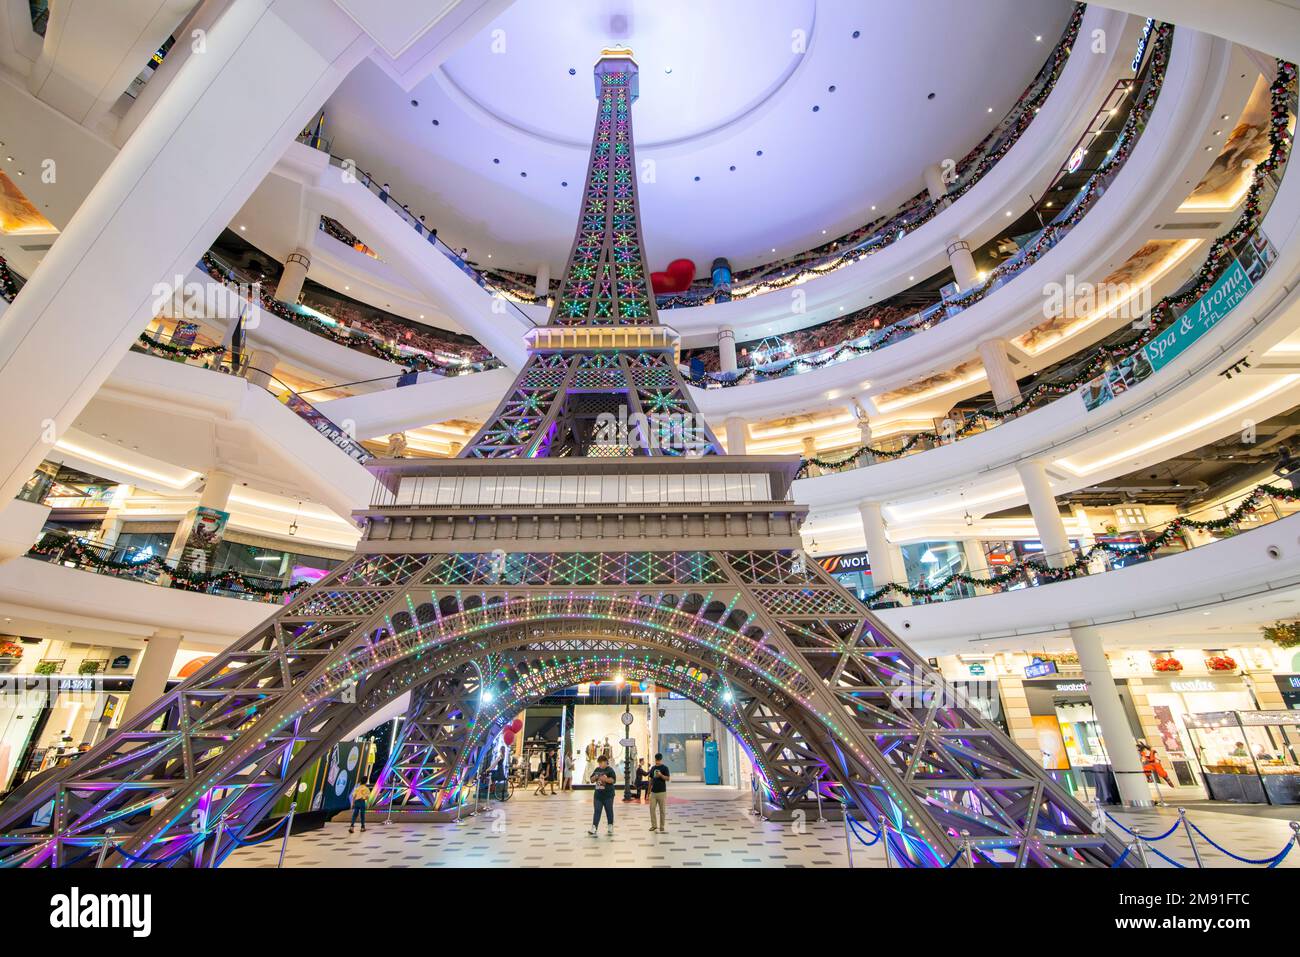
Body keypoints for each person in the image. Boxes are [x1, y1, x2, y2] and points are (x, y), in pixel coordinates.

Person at [587, 756, 617, 836]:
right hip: (598, 795)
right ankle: (594, 827)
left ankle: (610, 825)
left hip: (608, 795)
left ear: (605, 762)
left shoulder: (610, 770)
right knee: (597, 811)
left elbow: (613, 780)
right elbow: (591, 780)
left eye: (601, 762)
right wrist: (595, 777)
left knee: (609, 810)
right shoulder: (597, 770)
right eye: (599, 763)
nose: (599, 764)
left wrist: (606, 779)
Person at [648, 752, 670, 832]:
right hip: (653, 792)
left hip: (662, 792)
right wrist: (648, 792)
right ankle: (654, 825)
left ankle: (662, 826)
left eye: (659, 760)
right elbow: (650, 780)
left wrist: (661, 775)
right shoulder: (653, 768)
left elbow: (667, 778)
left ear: (661, 760)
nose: (657, 761)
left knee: (662, 810)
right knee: (652, 809)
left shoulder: (665, 768)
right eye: (656, 760)